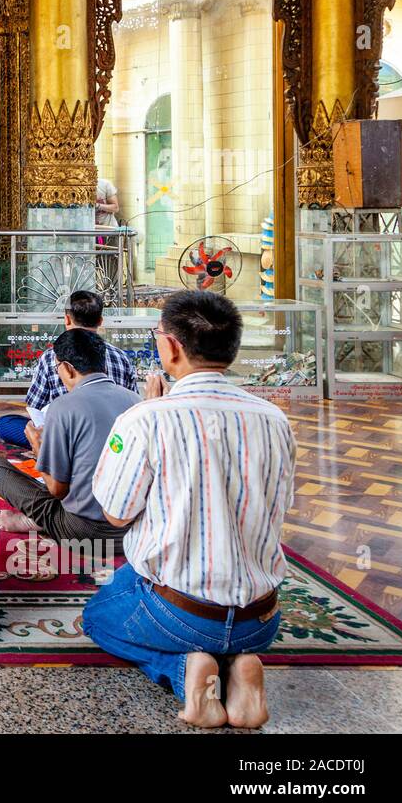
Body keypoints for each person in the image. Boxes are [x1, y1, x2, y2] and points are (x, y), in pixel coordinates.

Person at [83, 291, 295, 729]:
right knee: (139, 586)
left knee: (98, 618)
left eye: (158, 334)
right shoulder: (274, 419)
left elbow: (116, 513)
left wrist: (146, 410)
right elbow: (281, 506)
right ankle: (239, 665)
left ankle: (187, 672)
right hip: (262, 619)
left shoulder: (146, 419)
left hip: (181, 613)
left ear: (172, 347)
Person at [0, 328, 139, 542]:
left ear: (67, 368)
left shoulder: (62, 407)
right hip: (131, 529)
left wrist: (40, 449)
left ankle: (38, 521)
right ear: (103, 363)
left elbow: (57, 490)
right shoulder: (136, 401)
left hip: (84, 533)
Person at [0, 289, 137, 450]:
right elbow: (133, 410)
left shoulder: (52, 357)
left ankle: (52, 444)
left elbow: (35, 405)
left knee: (5, 423)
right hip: (114, 437)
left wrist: (44, 432)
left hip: (65, 437)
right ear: (100, 320)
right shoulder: (121, 357)